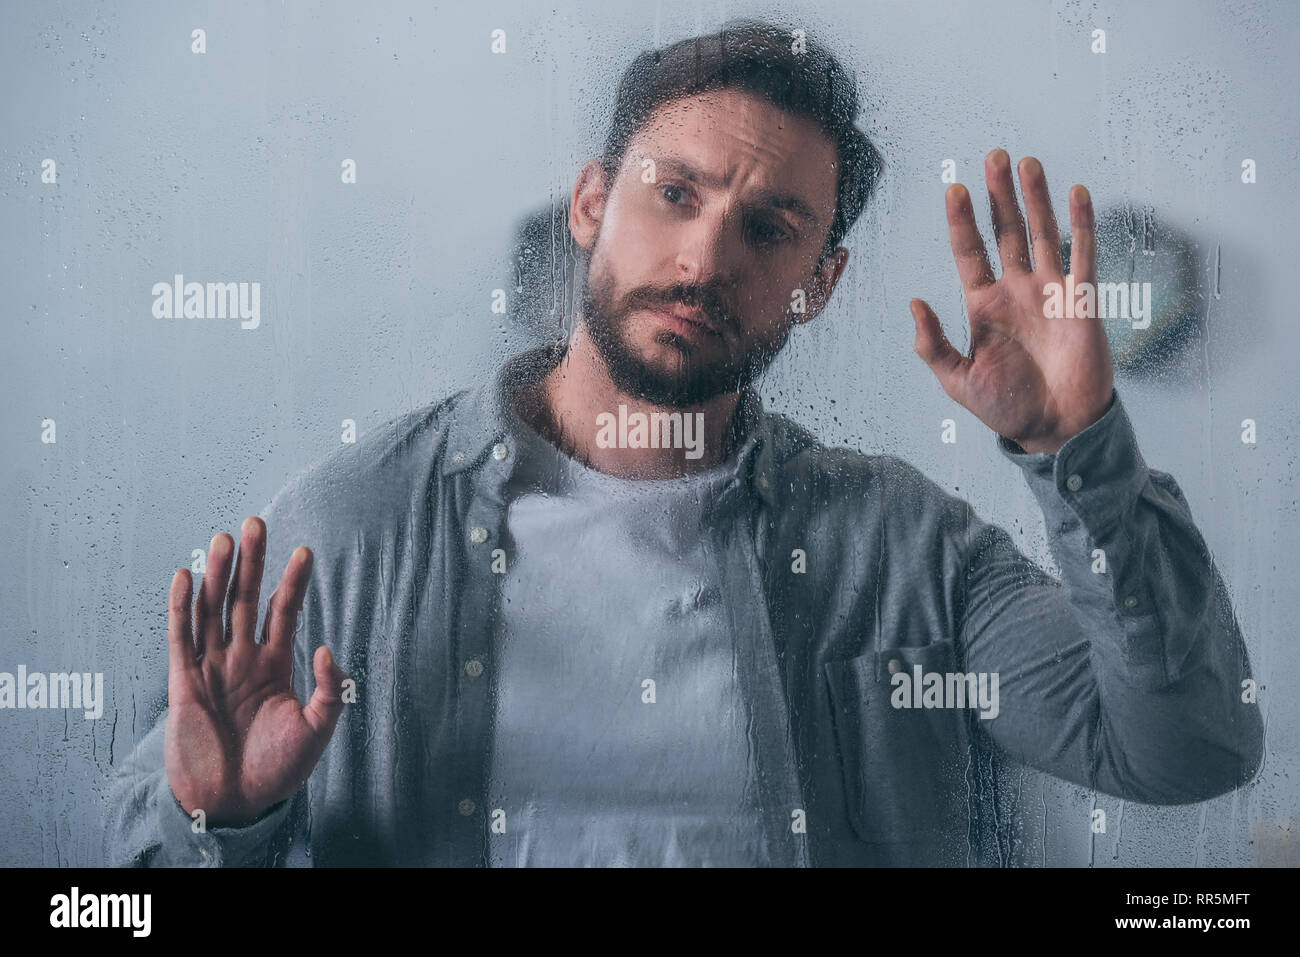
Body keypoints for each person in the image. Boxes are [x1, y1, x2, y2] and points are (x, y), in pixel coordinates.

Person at [104, 19, 1263, 867]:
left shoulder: (906, 550)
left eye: (770, 229)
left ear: (820, 282)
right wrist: (223, 824)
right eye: (674, 195)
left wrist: (1082, 451)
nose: (707, 260)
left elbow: (1188, 753)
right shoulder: (352, 530)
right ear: (590, 205)